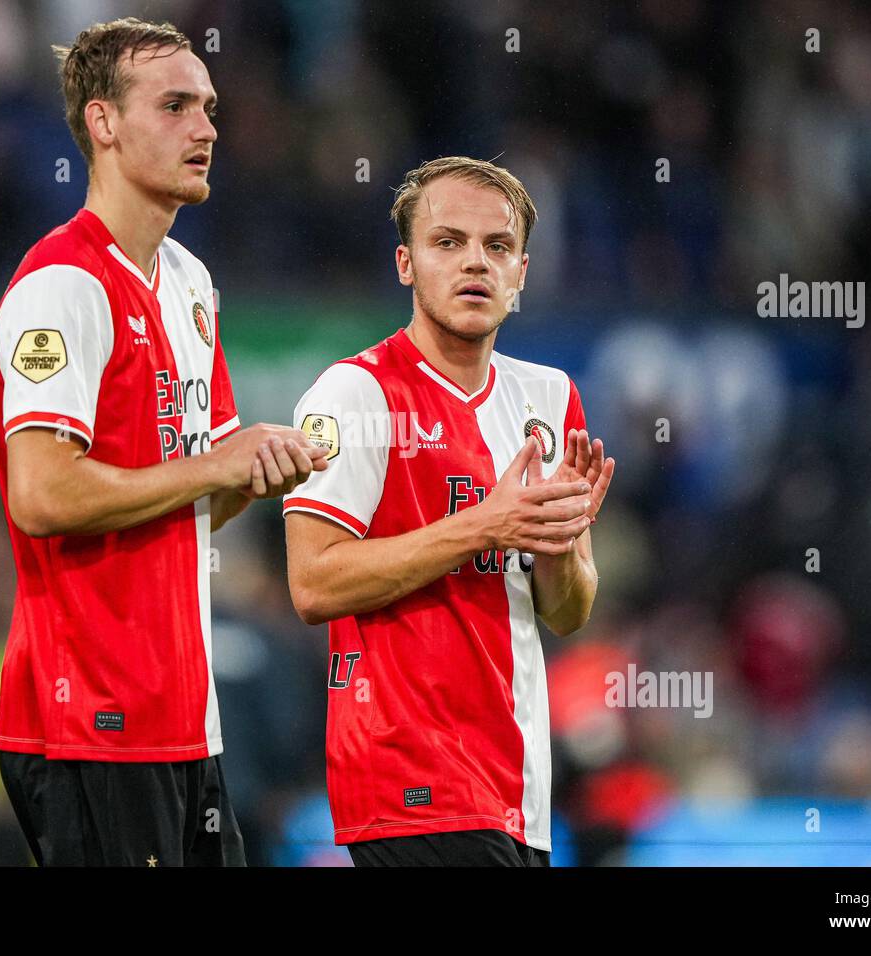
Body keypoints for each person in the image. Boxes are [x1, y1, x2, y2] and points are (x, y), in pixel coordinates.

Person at [0, 18, 328, 867]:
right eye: (175, 106)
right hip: (88, 721)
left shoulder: (189, 281)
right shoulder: (61, 285)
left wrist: (253, 474)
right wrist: (216, 461)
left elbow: (190, 503)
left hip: (185, 720)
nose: (206, 128)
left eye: (208, 107)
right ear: (102, 124)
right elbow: (40, 496)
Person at [283, 156, 615, 867]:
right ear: (405, 263)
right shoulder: (355, 395)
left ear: (522, 270)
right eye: (448, 242)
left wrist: (559, 543)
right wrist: (487, 525)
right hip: (410, 782)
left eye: (497, 247)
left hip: (519, 790)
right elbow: (313, 584)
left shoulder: (549, 398)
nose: (476, 263)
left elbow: (567, 612)